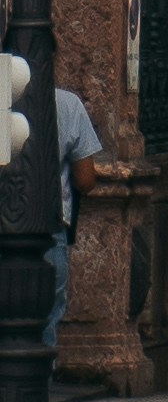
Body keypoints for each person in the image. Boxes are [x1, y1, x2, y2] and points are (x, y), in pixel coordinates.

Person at [39, 77, 96, 357]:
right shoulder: (67, 104)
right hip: (50, 227)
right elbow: (85, 178)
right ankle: (36, 394)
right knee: (46, 314)